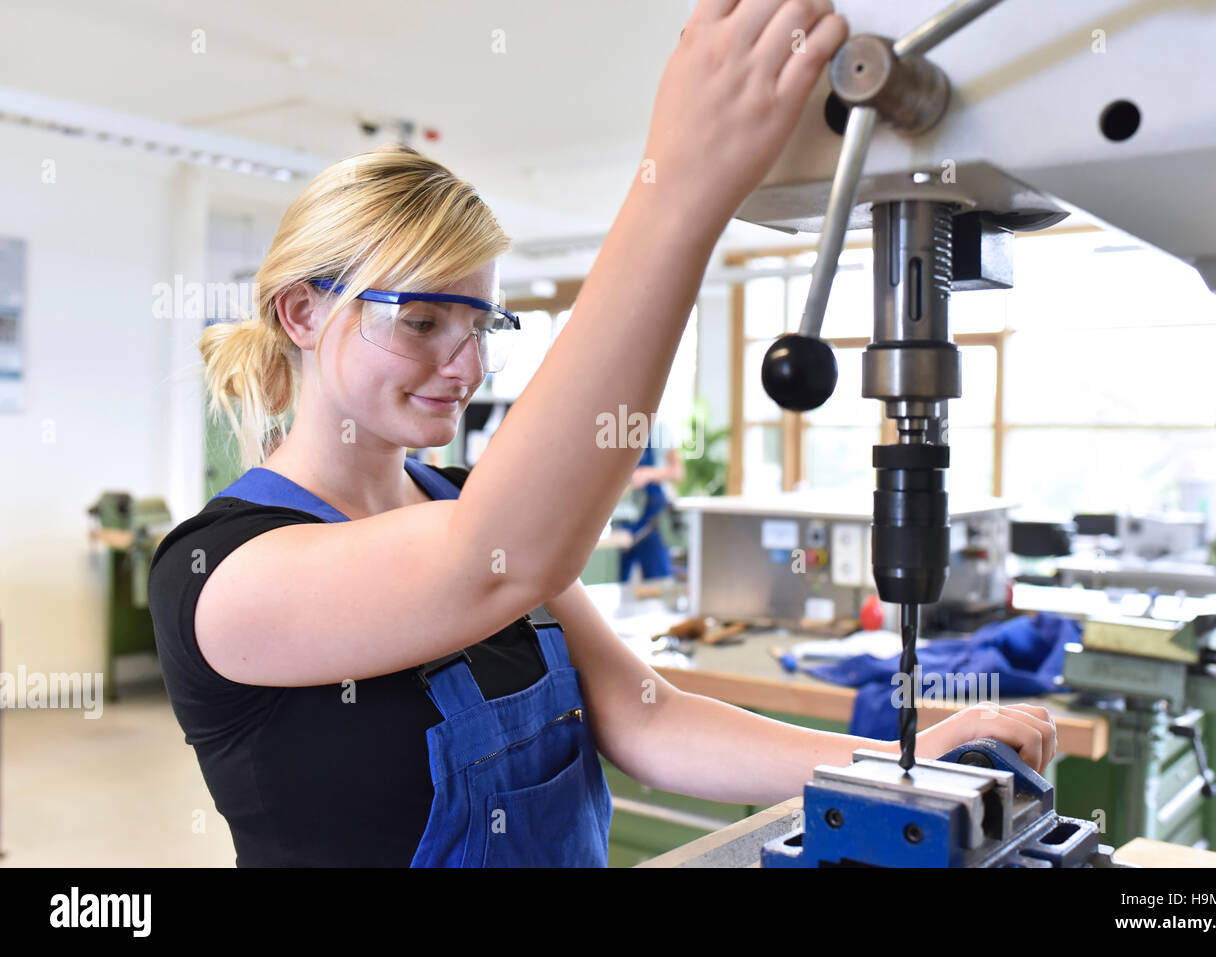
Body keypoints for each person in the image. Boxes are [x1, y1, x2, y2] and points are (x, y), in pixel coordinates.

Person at [148, 0, 1056, 867]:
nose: (464, 371)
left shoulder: (458, 499)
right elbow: (492, 558)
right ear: (303, 312)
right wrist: (683, 182)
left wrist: (899, 764)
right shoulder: (226, 576)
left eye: (481, 329)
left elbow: (648, 717)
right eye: (423, 322)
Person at [617, 443, 684, 582]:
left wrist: (648, 474)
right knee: (617, 582)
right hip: (623, 522)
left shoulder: (659, 431)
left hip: (652, 522)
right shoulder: (614, 432)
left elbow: (678, 472)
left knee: (658, 582)